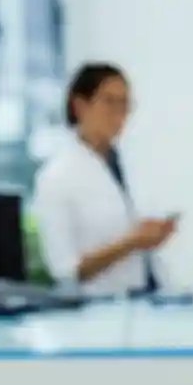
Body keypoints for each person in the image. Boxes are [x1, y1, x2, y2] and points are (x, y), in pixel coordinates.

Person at [33, 63, 178, 295]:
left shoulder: (129, 162)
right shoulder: (56, 178)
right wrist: (130, 243)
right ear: (80, 106)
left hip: (152, 297)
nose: (119, 114)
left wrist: (154, 234)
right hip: (100, 309)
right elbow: (67, 271)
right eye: (110, 102)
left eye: (125, 104)